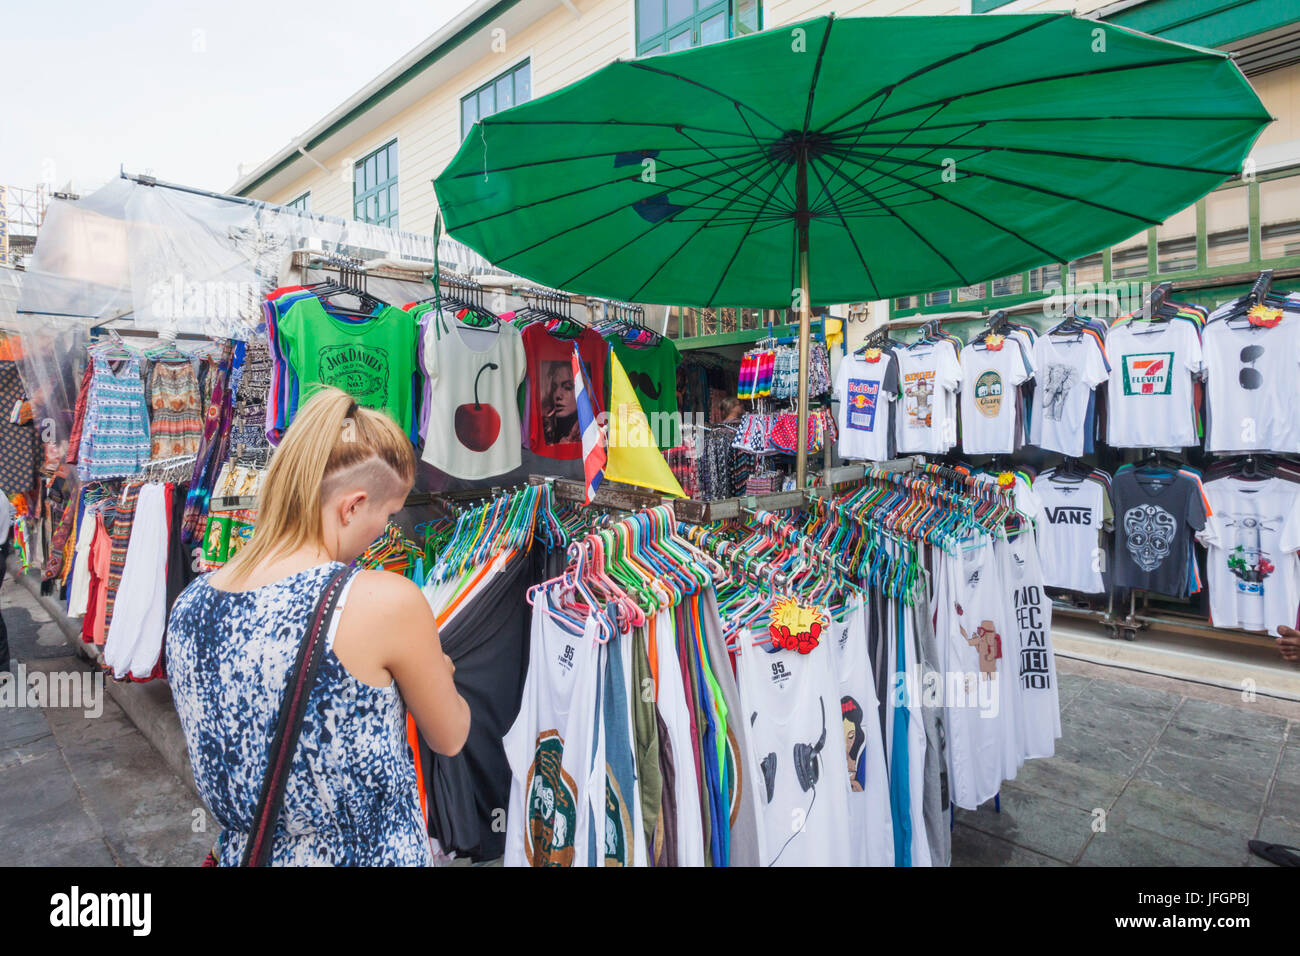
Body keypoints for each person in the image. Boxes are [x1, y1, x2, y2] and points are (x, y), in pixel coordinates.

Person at [166, 387, 469, 866]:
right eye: (388, 516)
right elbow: (450, 735)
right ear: (352, 506)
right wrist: (442, 673)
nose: (385, 533)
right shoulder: (381, 601)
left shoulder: (189, 607)